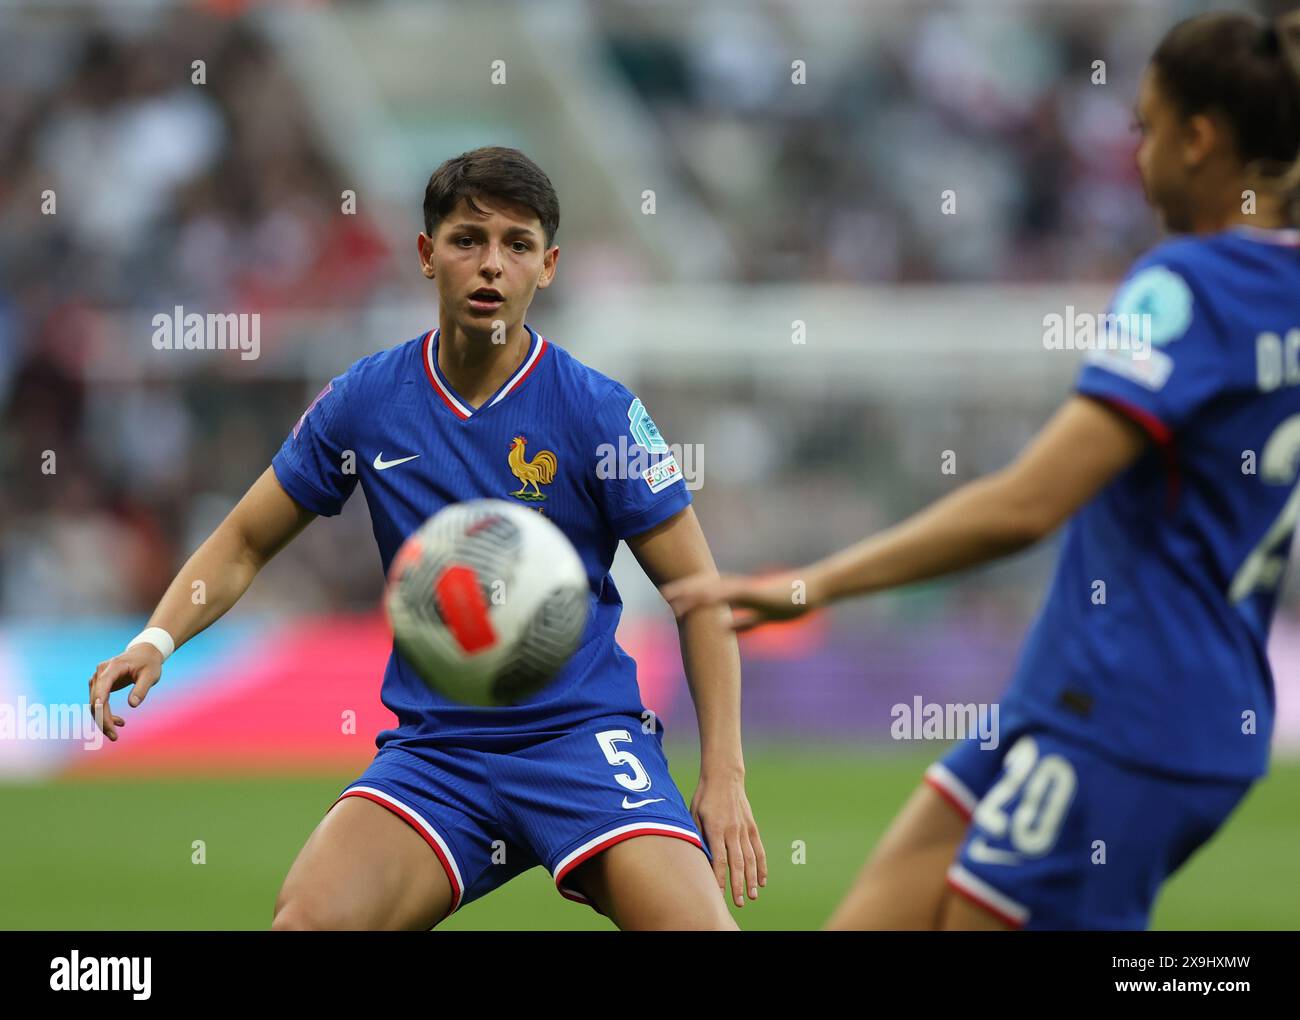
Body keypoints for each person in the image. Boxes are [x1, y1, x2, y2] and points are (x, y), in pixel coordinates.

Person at [664, 11, 1300, 930]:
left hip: (1129, 710)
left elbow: (1026, 504)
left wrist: (818, 583)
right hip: (1100, 691)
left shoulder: (1188, 287)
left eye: (1147, 128)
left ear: (1201, 140)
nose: (1136, 151)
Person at [89, 146, 764, 930]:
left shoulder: (598, 412)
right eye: (467, 239)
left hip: (583, 740)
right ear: (425, 254)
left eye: (516, 245)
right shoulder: (368, 400)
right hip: (439, 754)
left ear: (547, 267)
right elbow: (244, 539)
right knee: (305, 925)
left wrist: (725, 774)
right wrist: (159, 636)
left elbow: (700, 598)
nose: (490, 266)